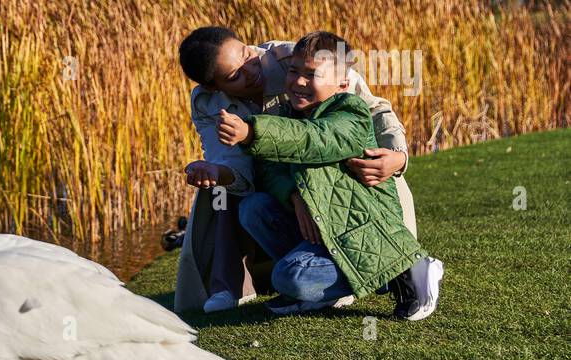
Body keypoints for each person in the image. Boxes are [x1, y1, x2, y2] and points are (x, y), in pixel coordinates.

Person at [173, 26, 417, 313]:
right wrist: (218, 173)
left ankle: (392, 269)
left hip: (340, 173)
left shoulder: (301, 59)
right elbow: (235, 164)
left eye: (246, 53)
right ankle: (233, 285)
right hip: (275, 177)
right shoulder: (206, 103)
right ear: (214, 87)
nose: (251, 70)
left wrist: (398, 157)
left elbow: (365, 113)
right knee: (228, 197)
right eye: (235, 76)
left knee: (349, 189)